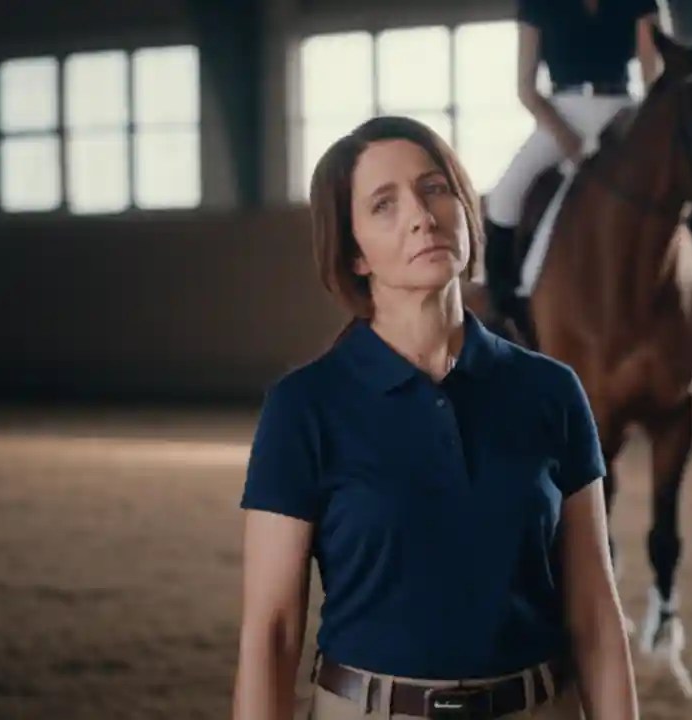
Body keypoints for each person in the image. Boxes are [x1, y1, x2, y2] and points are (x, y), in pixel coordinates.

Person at [231, 116, 639, 720]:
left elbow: (596, 616)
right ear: (354, 253)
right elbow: (272, 631)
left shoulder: (551, 391)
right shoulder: (305, 407)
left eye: (434, 188)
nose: (422, 216)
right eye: (384, 205)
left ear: (465, 209)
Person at [482, 0, 692, 364]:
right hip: (560, 113)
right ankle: (502, 314)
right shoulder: (538, 4)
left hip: (623, 110)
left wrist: (646, 127)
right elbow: (526, 89)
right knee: (504, 199)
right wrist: (566, 138)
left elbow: (653, 75)